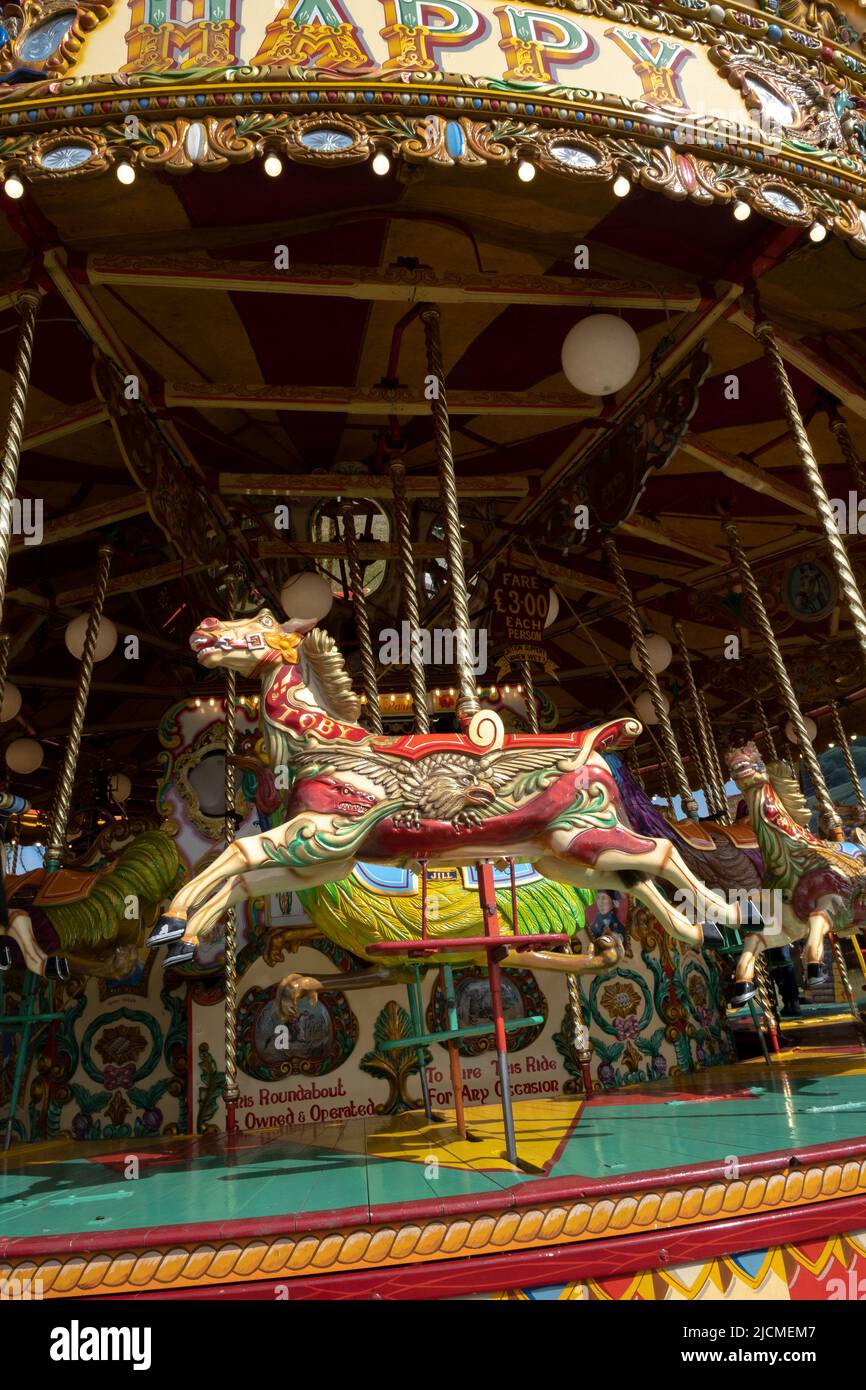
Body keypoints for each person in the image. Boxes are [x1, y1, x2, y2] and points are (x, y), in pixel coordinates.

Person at [589, 889, 632, 959]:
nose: (600, 902)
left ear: (612, 903)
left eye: (604, 898)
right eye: (598, 898)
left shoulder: (620, 926)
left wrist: (611, 933)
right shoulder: (593, 925)